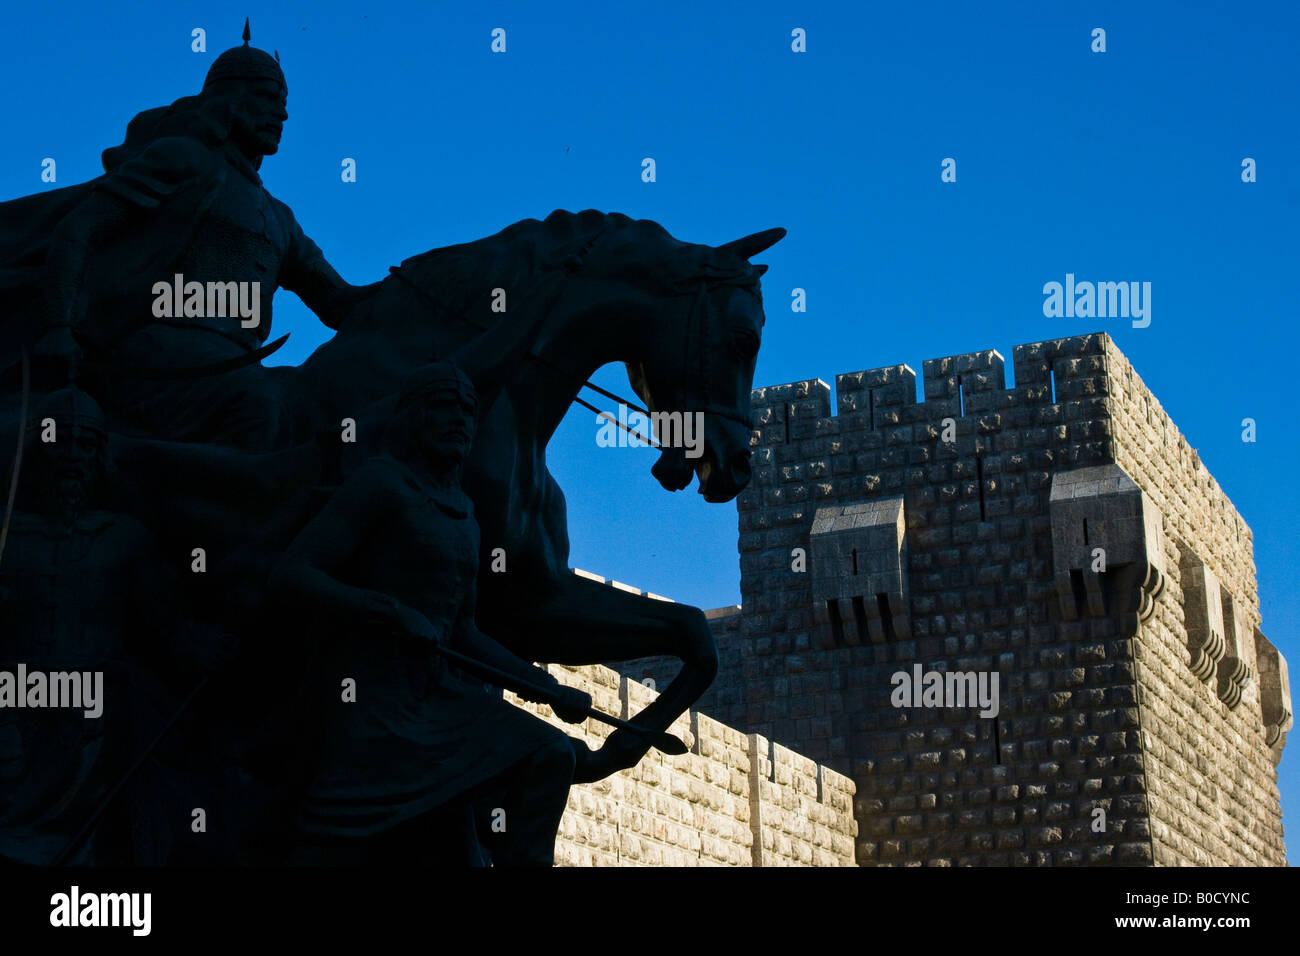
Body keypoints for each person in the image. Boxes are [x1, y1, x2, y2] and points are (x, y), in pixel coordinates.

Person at [270, 362, 589, 866]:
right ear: (413, 417)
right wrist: (388, 612)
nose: (459, 419)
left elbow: (462, 630)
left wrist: (546, 689)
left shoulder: (464, 514)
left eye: (468, 410)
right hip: (370, 700)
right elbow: (295, 572)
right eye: (444, 406)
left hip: (435, 699)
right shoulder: (381, 485)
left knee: (550, 752)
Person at [26, 21, 377, 450]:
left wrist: (424, 282)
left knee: (315, 405)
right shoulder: (184, 161)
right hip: (155, 355)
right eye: (267, 98)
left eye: (284, 104)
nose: (281, 115)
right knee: (261, 404)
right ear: (229, 99)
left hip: (236, 364)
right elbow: (79, 229)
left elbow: (341, 303)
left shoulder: (279, 217)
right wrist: (57, 325)